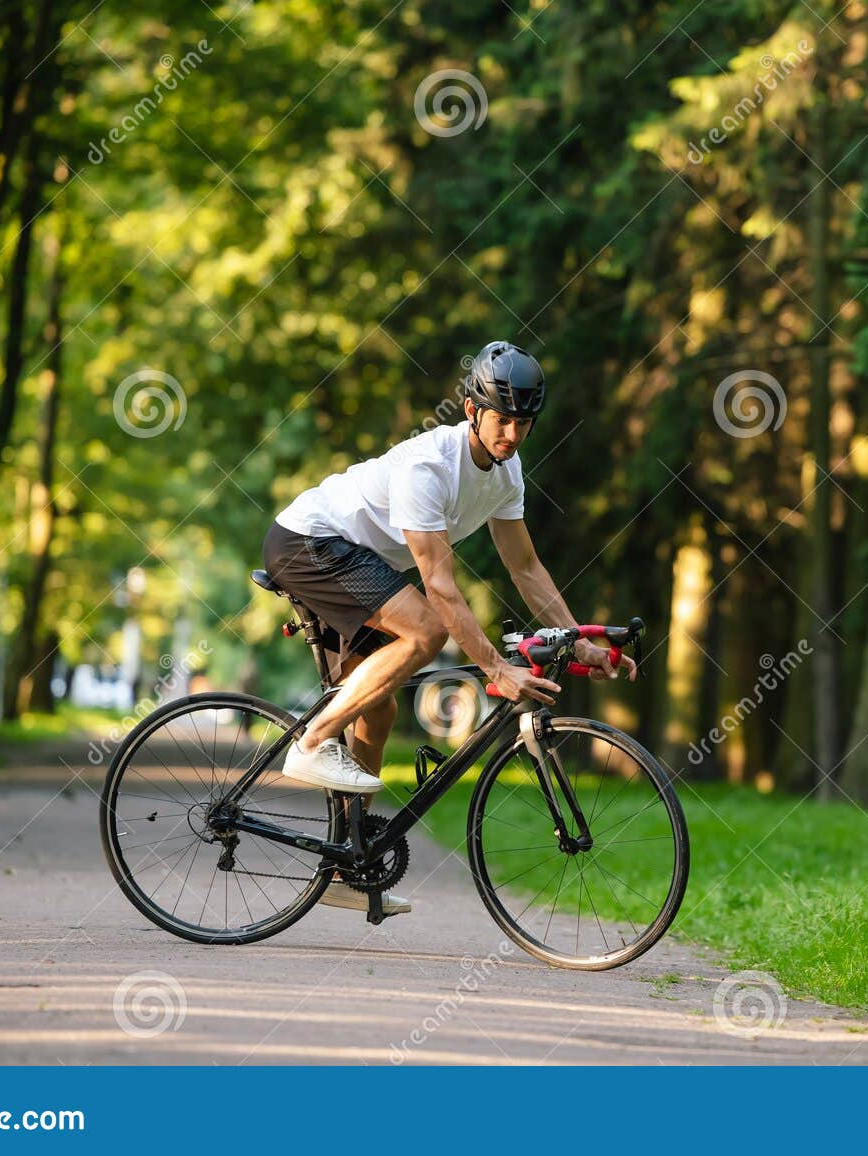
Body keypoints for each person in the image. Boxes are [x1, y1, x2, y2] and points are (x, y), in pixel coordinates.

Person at [261, 341, 638, 915]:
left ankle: (346, 860)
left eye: (524, 422)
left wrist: (581, 643)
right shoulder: (428, 467)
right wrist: (495, 668)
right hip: (310, 544)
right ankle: (311, 741)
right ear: (471, 411)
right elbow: (440, 587)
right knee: (426, 631)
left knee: (379, 705)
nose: (512, 434)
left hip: (360, 563)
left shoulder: (506, 471)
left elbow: (526, 567)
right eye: (502, 419)